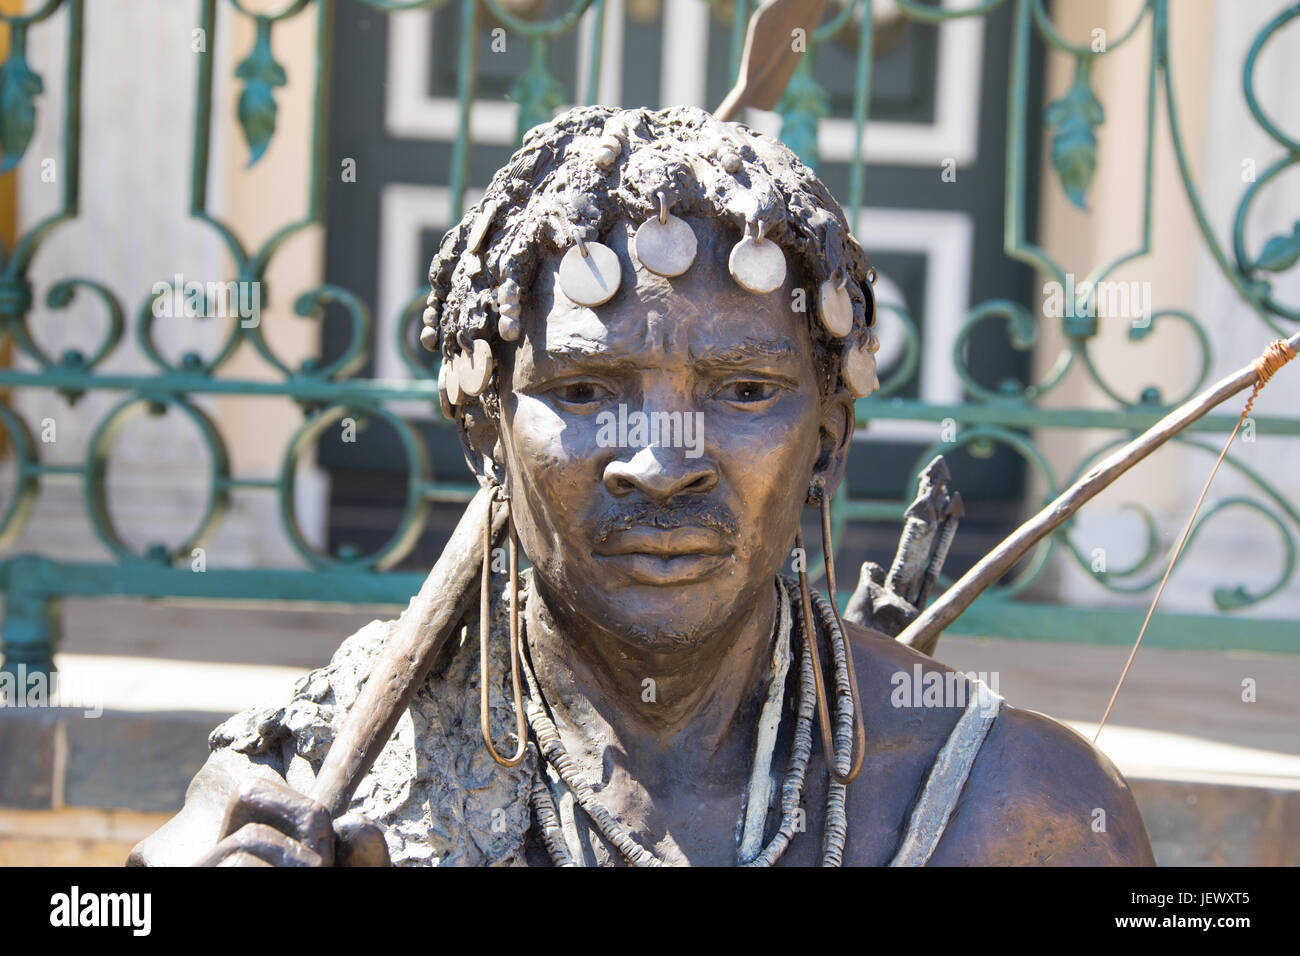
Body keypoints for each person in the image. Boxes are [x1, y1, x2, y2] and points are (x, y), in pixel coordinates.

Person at [129, 105, 1154, 867]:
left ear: (829, 443)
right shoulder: (325, 783)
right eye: (583, 388)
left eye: (745, 389)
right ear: (485, 434)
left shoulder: (1024, 811)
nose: (662, 460)